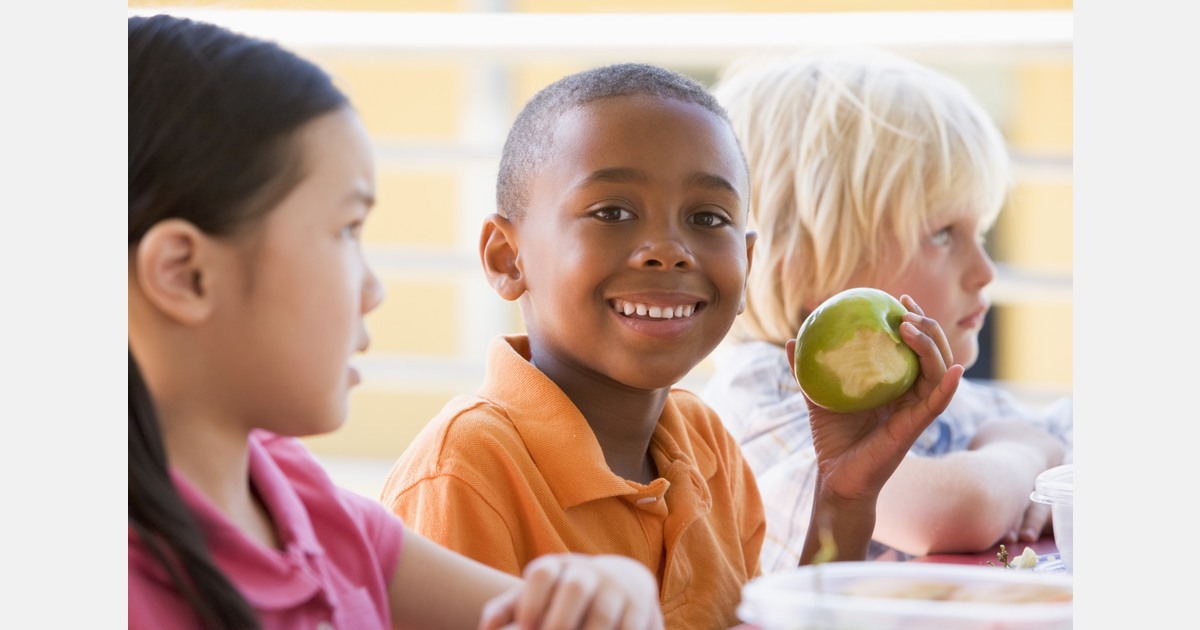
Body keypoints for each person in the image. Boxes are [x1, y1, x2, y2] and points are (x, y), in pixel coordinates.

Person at [379, 62, 964, 629]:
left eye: (708, 218)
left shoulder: (706, 447)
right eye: (612, 211)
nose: (668, 248)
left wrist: (845, 494)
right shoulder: (466, 472)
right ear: (507, 258)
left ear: (747, 263)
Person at [127, 14, 666, 630]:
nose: (373, 290)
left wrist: (607, 588)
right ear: (185, 274)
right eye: (345, 231)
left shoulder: (293, 495)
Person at [699, 48, 1073, 572]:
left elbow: (1069, 435)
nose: (985, 271)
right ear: (809, 272)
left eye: (979, 232)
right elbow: (948, 511)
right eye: (943, 235)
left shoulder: (934, 388)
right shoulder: (765, 397)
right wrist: (1025, 455)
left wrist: (1040, 458)